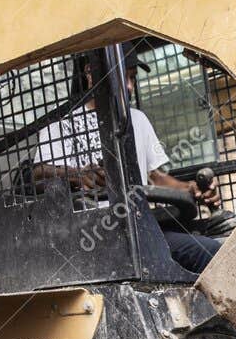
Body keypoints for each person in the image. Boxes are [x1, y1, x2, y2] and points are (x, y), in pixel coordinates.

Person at [30, 55, 221, 273]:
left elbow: (155, 177)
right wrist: (77, 175)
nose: (130, 86)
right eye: (123, 77)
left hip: (140, 230)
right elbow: (38, 175)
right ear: (91, 73)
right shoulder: (60, 128)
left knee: (210, 251)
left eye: (133, 78)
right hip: (91, 237)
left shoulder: (137, 119)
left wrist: (190, 189)